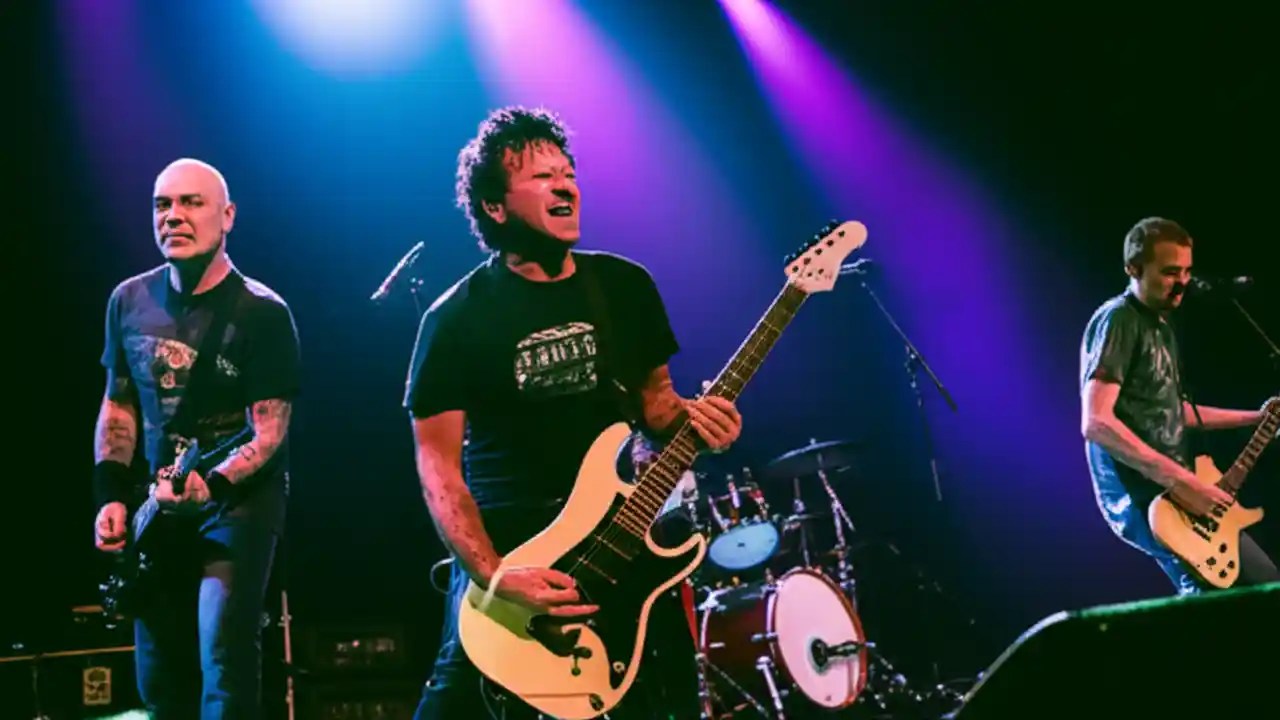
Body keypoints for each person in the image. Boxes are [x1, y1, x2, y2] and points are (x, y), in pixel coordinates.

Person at [403, 106, 742, 719]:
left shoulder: (625, 287)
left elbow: (658, 408)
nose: (565, 187)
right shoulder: (454, 318)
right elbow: (438, 468)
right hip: (512, 545)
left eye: (569, 173)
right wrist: (495, 576)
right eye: (542, 177)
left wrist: (703, 423)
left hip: (620, 542)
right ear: (495, 207)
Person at [91, 158, 301, 718]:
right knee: (159, 678)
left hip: (236, 503)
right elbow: (118, 404)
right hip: (158, 504)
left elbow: (270, 432)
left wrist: (213, 484)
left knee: (223, 656)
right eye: (162, 205)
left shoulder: (262, 312)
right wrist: (111, 494)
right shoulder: (128, 301)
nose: (174, 216)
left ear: (227, 216)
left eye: (191, 203)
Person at [1079, 216, 1278, 595]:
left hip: (1178, 490)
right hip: (1145, 494)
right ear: (1133, 269)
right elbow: (1096, 422)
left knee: (1266, 586)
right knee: (1211, 595)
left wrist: (1257, 417)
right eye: (1170, 272)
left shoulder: (1160, 326)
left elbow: (1174, 412)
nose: (1183, 281)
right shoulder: (1119, 319)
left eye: (1187, 271)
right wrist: (1183, 481)